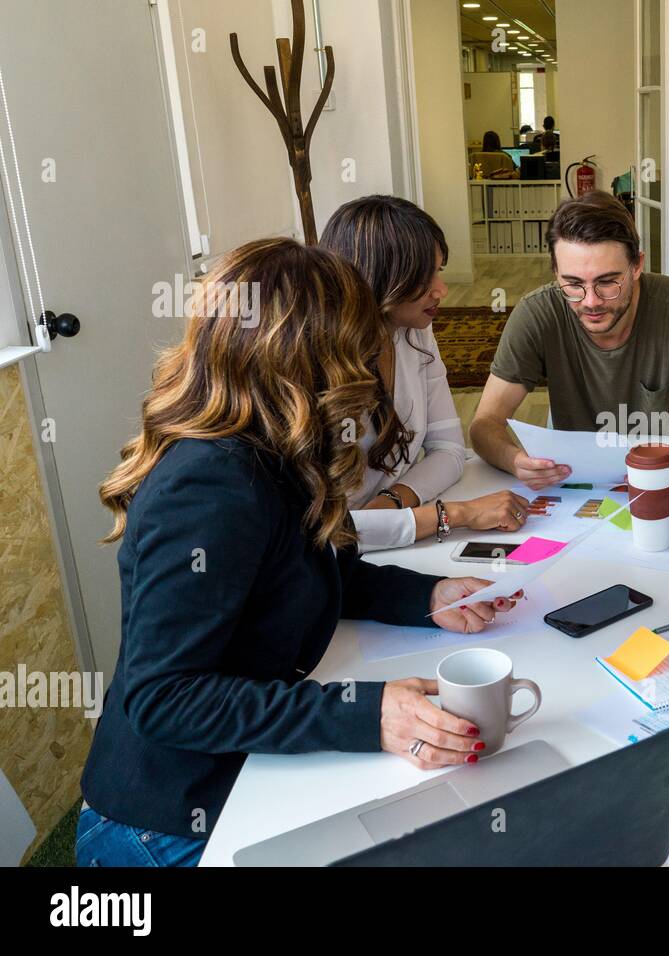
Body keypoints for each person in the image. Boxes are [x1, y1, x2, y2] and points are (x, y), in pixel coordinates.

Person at [77, 238, 521, 867]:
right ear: (307, 359)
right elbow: (164, 698)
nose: (371, 364)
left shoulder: (268, 447)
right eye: (359, 346)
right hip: (166, 825)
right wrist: (369, 716)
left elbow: (306, 567)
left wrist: (425, 596)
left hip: (239, 776)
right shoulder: (209, 485)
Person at [471, 191, 669, 490]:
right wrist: (515, 460)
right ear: (555, 272)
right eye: (573, 284)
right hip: (576, 486)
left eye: (607, 282)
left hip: (666, 482)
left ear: (637, 266)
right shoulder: (537, 313)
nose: (590, 301)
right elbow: (484, 424)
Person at [320, 195, 529, 551]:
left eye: (439, 270)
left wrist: (392, 504)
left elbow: (448, 449)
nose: (442, 290)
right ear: (377, 280)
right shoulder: (314, 368)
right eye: (423, 277)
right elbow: (326, 536)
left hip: (392, 539)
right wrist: (454, 514)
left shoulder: (415, 330)